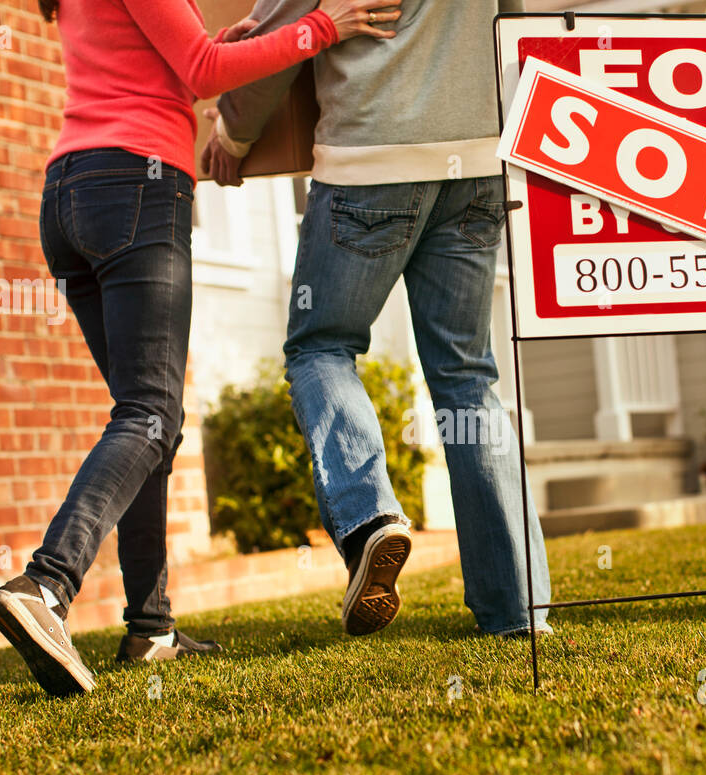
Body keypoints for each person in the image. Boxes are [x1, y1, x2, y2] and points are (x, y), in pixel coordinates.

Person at [0, 0, 401, 698]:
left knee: (145, 419)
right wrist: (325, 26)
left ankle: (149, 628)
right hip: (136, 189)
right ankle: (46, 586)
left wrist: (217, 41)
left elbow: (158, 61)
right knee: (150, 415)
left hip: (70, 193)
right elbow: (205, 72)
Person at [200, 0, 551, 640]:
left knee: (321, 348)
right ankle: (518, 608)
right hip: (479, 160)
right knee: (469, 377)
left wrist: (232, 135)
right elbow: (518, 23)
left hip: (371, 159)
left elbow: (280, 31)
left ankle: (367, 520)